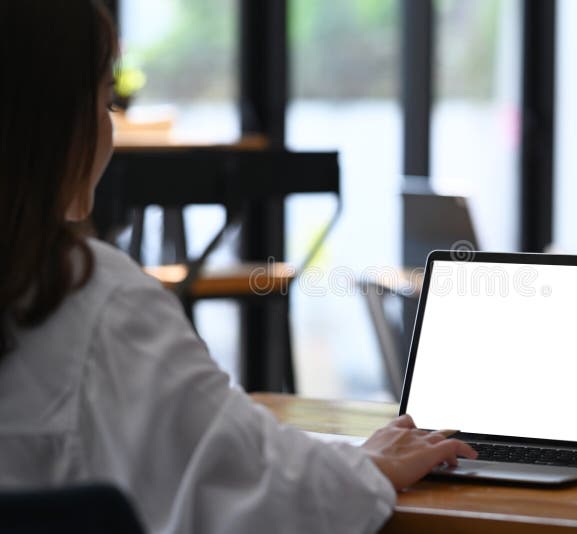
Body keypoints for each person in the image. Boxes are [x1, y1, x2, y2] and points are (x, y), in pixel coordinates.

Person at [0, 2, 477, 533]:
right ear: (54, 122)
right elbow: (254, 484)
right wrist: (363, 469)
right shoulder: (96, 303)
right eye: (106, 102)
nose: (109, 130)